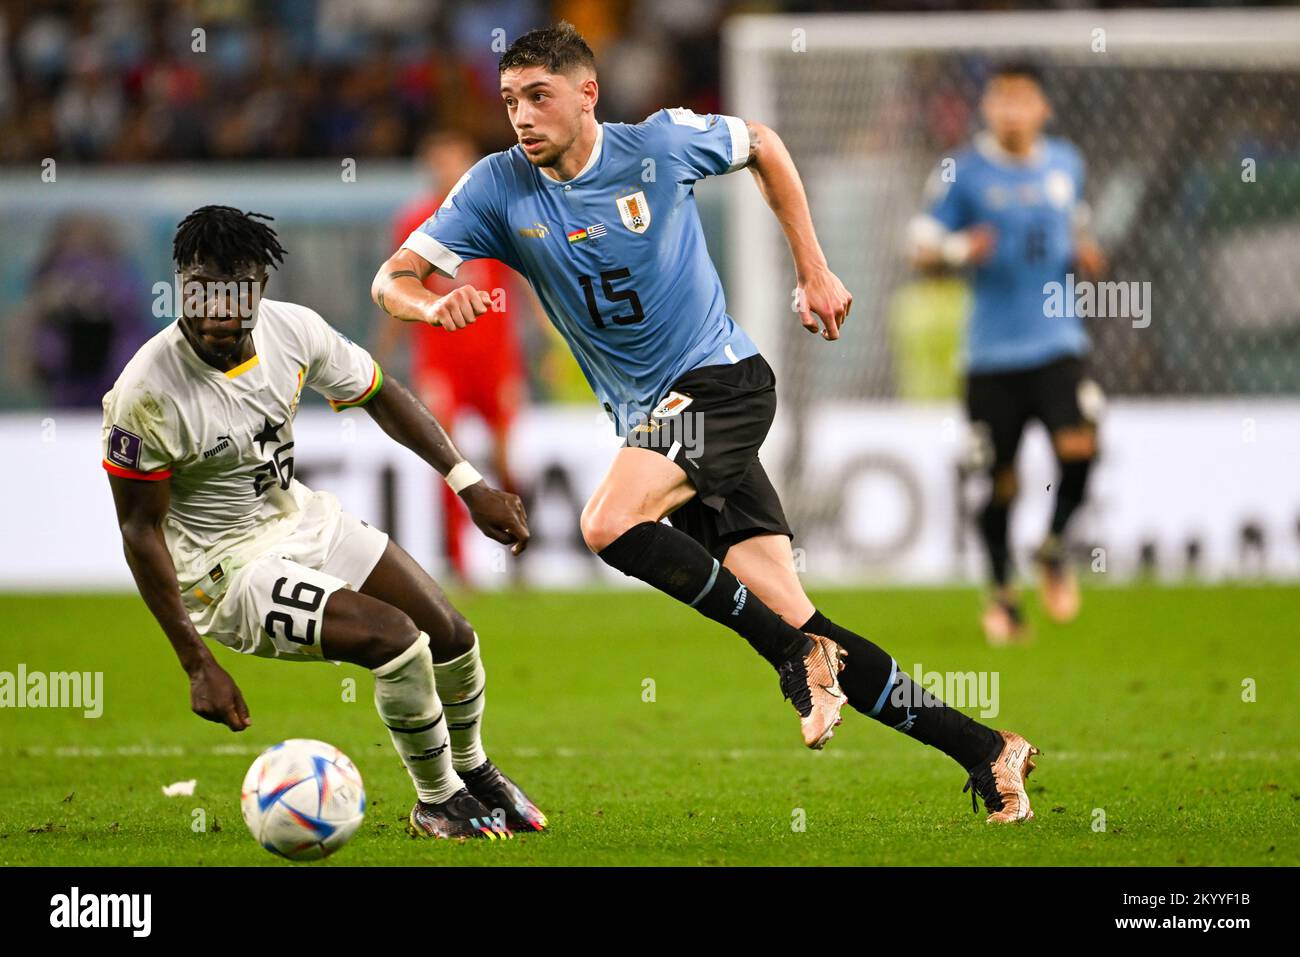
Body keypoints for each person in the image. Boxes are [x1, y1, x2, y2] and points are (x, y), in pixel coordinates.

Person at [372, 25, 1040, 822]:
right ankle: (985, 750)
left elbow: (762, 144)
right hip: (657, 421)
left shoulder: (657, 145)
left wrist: (813, 265)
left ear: (587, 93)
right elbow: (394, 277)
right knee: (797, 611)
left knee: (609, 521)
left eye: (539, 96)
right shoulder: (496, 188)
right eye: (510, 99)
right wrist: (430, 302)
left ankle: (795, 659)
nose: (521, 115)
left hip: (723, 382)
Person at [102, 205, 543, 841]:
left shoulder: (294, 331)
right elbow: (140, 532)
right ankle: (438, 798)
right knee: (395, 639)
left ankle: (474, 771)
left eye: (236, 297)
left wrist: (468, 483)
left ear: (259, 290)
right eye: (202, 295)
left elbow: (381, 394)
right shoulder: (145, 393)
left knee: (451, 634)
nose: (219, 316)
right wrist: (196, 662)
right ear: (181, 285)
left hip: (299, 519)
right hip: (226, 573)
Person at [908, 62, 1107, 644]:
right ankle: (1001, 595)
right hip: (991, 356)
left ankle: (1051, 546)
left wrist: (1087, 251)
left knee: (1080, 447)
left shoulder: (1066, 163)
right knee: (1000, 482)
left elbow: (1078, 225)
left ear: (1042, 108)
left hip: (1057, 342)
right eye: (1001, 100)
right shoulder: (962, 173)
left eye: (1023, 99)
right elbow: (918, 245)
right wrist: (956, 248)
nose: (1012, 111)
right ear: (988, 109)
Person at [378, 131, 528, 584]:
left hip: (494, 360)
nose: (447, 167)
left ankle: (521, 554)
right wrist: (380, 353)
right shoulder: (414, 222)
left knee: (505, 463)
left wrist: (550, 337)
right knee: (449, 462)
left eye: (456, 156)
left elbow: (524, 281)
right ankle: (461, 566)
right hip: (441, 364)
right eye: (439, 157)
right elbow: (398, 288)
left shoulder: (495, 217)